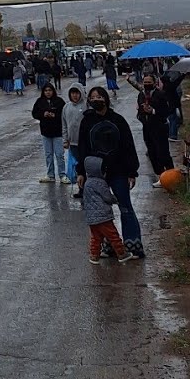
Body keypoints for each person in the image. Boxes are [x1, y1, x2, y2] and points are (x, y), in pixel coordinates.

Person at [75, 87, 145, 258]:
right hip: (96, 174)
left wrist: (131, 171)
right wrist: (81, 172)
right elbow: (82, 149)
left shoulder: (118, 120)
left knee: (125, 207)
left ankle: (133, 245)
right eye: (92, 97)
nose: (96, 100)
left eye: (99, 96)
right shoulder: (86, 122)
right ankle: (111, 246)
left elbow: (128, 145)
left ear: (105, 99)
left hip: (119, 170)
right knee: (102, 212)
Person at [83, 156, 135, 264]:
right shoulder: (100, 183)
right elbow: (107, 197)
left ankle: (94, 256)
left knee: (96, 238)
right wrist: (115, 199)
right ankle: (121, 254)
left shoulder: (88, 183)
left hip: (92, 218)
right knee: (113, 235)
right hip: (103, 217)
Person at [132, 73, 175, 180]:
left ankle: (172, 176)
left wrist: (153, 111)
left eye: (149, 82)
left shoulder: (161, 94)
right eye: (145, 82)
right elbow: (140, 111)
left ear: (154, 83)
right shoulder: (141, 95)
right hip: (147, 128)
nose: (147, 84)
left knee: (163, 153)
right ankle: (160, 175)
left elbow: (167, 111)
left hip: (160, 127)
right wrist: (141, 115)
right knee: (152, 153)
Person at [31, 83, 68, 184]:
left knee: (59, 154)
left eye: (50, 90)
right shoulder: (40, 102)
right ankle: (50, 175)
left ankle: (62, 174)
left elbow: (64, 114)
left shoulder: (59, 102)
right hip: (45, 132)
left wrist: (54, 115)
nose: (48, 92)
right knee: (48, 154)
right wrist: (43, 114)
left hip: (57, 132)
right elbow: (34, 113)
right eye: (46, 90)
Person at [63, 85, 87, 198]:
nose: (75, 95)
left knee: (86, 166)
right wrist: (65, 139)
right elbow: (64, 124)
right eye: (72, 93)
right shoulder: (66, 107)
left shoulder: (86, 106)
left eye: (77, 93)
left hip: (85, 143)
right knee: (78, 167)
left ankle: (88, 189)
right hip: (72, 143)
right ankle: (81, 189)